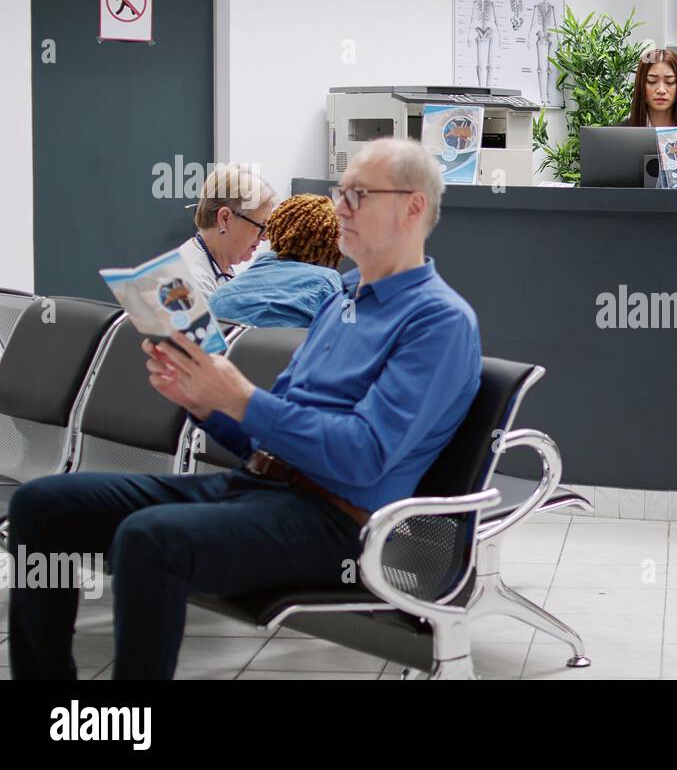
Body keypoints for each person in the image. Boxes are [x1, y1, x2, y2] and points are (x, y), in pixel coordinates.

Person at [6, 138, 483, 679]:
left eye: (358, 195)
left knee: (151, 539)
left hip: (337, 524)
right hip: (258, 487)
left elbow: (364, 457)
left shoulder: (438, 322)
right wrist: (204, 401)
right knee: (42, 506)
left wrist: (242, 399)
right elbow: (265, 436)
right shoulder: (341, 300)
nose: (339, 208)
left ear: (413, 207)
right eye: (340, 193)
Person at [208, 193, 344, 327]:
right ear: (332, 249)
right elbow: (343, 335)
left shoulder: (219, 298)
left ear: (276, 231)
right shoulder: (327, 283)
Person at [179, 163, 277, 297]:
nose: (265, 237)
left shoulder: (220, 265)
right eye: (261, 226)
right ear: (225, 219)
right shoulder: (192, 282)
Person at [619, 48, 677, 128]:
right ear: (640, 85)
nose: (661, 90)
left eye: (670, 81)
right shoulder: (621, 134)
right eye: (652, 81)